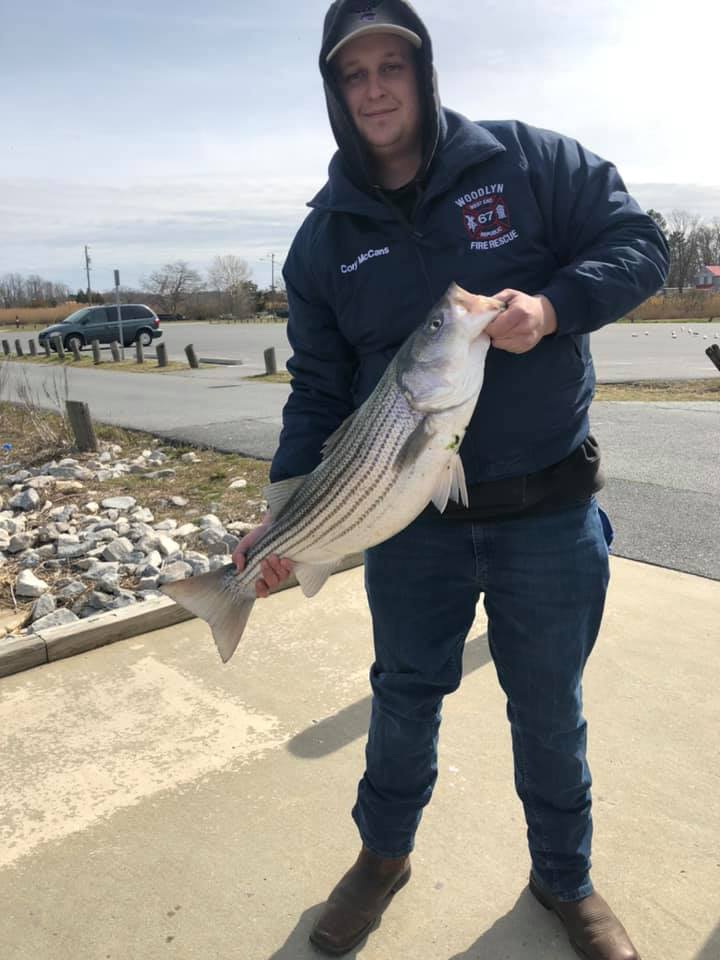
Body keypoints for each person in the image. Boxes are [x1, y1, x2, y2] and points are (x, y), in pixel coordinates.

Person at [232, 1, 669, 956]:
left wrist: (555, 308)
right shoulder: (324, 239)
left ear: (425, 72)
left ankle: (566, 880)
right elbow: (316, 388)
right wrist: (282, 519)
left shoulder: (530, 161)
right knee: (401, 697)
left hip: (547, 508)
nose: (376, 88)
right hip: (408, 528)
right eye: (355, 74)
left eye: (393, 65)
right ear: (334, 91)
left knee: (550, 708)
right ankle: (380, 857)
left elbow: (641, 243)